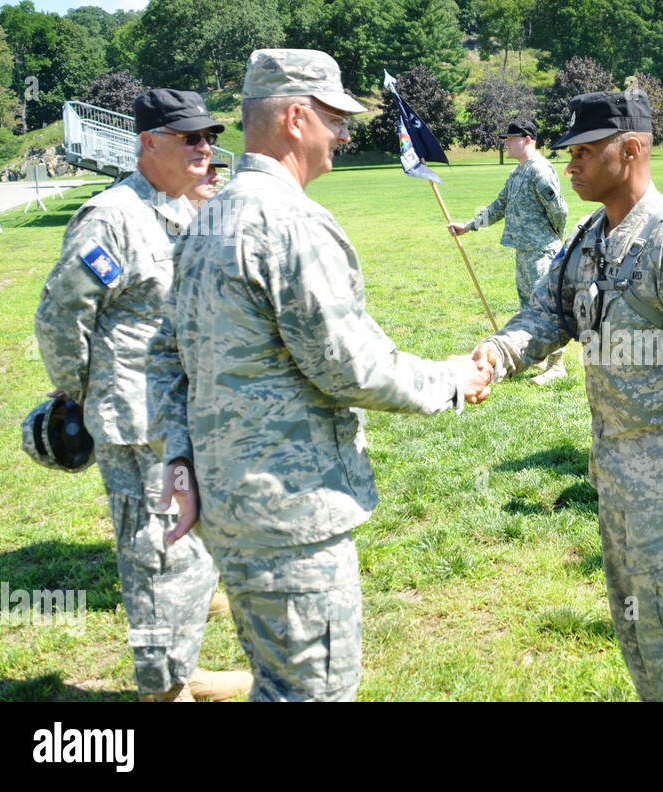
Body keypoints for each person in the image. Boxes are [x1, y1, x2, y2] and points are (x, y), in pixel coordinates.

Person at [147, 49, 492, 702]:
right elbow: (349, 365)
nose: (344, 133)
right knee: (311, 693)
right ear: (297, 118)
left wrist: (180, 465)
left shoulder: (205, 220)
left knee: (280, 686)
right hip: (291, 516)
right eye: (335, 118)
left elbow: (167, 362)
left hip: (228, 505)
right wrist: (451, 381)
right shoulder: (290, 223)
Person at [469, 90, 663, 701]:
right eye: (568, 152)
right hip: (616, 468)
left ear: (631, 150)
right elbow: (547, 314)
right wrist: (497, 353)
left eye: (583, 151)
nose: (570, 164)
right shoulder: (590, 237)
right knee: (633, 620)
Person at [35, 88, 248, 702]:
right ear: (148, 142)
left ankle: (184, 668)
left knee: (188, 542)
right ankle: (163, 689)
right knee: (154, 555)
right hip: (136, 418)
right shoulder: (112, 217)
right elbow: (60, 316)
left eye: (208, 137)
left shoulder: (178, 210)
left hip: (185, 413)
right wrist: (84, 395)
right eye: (190, 138)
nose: (205, 149)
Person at [450, 120, 569, 385]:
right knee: (528, 308)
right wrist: (468, 226)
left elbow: (559, 210)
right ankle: (534, 354)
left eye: (511, 138)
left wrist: (555, 236)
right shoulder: (517, 173)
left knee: (547, 307)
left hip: (541, 250)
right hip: (524, 251)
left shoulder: (540, 170)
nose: (506, 143)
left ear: (528, 139)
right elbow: (498, 206)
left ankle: (557, 365)